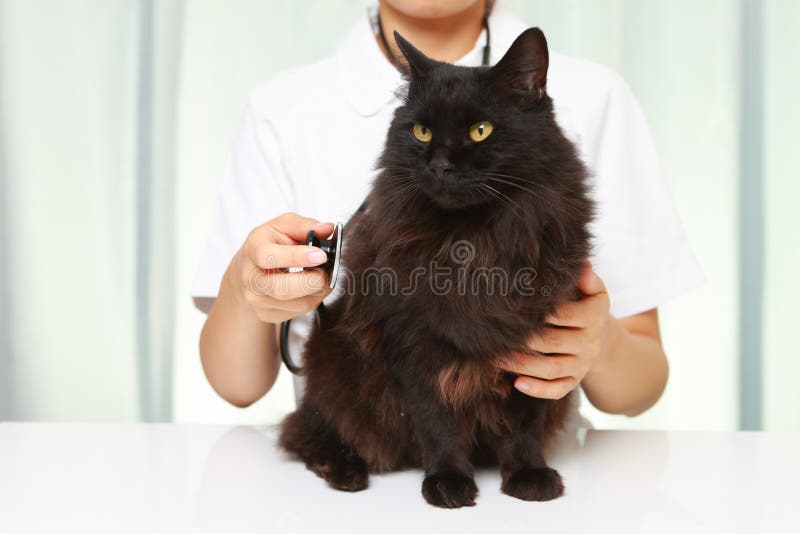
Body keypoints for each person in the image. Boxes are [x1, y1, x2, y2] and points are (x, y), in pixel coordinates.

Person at [192, 0, 703, 416]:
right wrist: (247, 284)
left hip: (526, 485)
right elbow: (237, 386)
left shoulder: (595, 96)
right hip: (358, 465)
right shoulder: (281, 110)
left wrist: (600, 345)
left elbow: (641, 388)